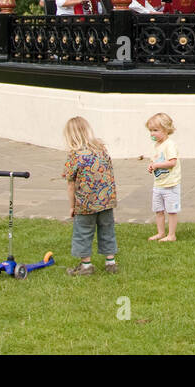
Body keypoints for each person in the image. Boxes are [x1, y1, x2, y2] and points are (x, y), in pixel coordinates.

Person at [62, 116, 118, 275]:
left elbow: (71, 185)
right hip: (106, 201)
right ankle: (110, 262)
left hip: (85, 204)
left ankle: (86, 266)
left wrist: (72, 206)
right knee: (107, 229)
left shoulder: (74, 156)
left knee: (83, 232)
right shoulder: (101, 150)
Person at [146, 112, 181, 243]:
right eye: (150, 131)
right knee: (158, 210)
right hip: (159, 184)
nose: (152, 134)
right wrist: (151, 166)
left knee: (171, 211)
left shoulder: (169, 145)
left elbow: (172, 162)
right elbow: (155, 161)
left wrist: (157, 165)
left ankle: (172, 235)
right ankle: (161, 232)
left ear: (166, 130)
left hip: (170, 184)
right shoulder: (157, 146)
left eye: (155, 130)